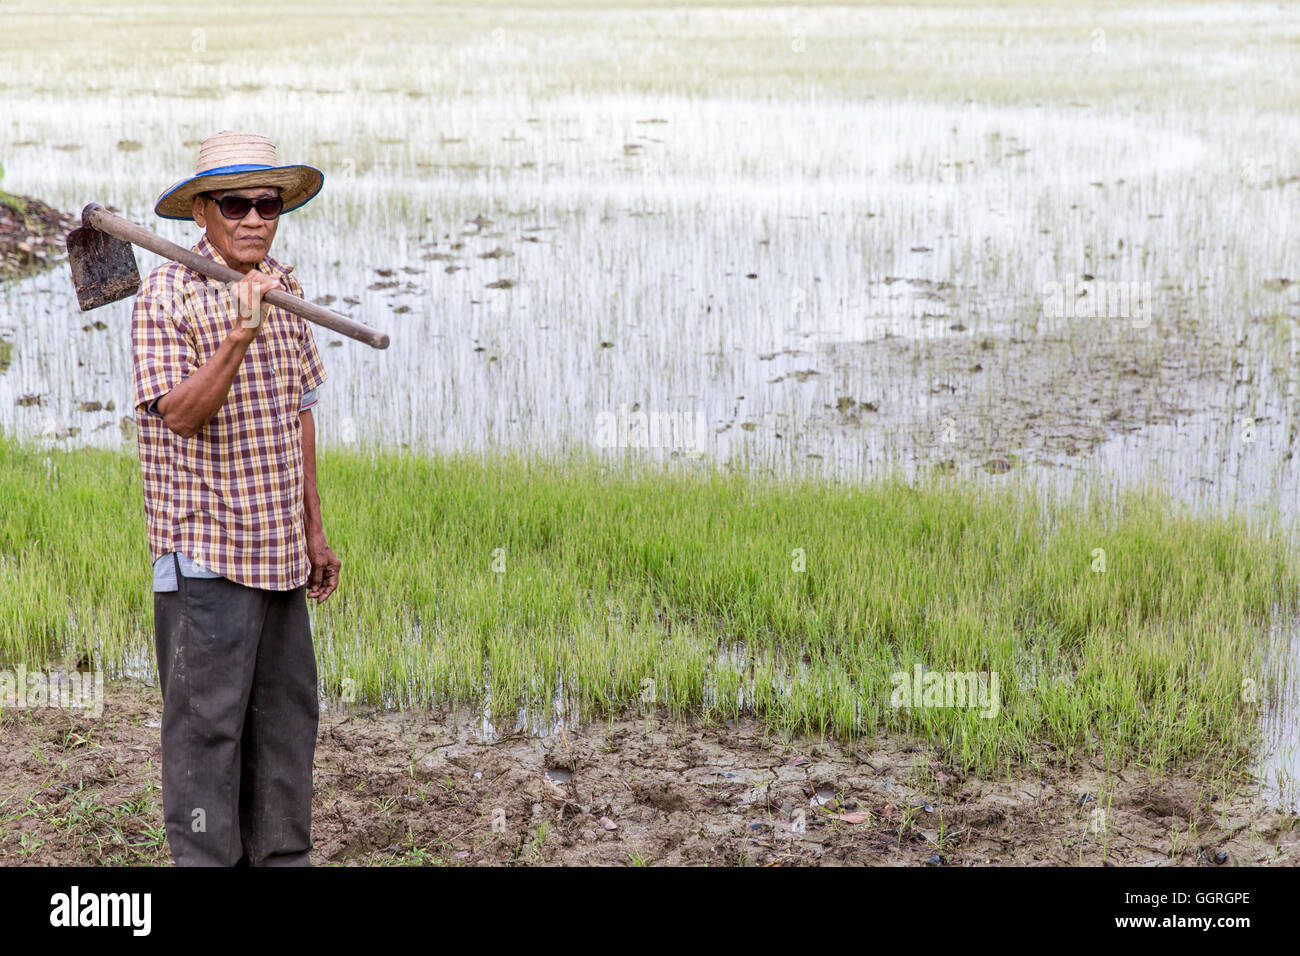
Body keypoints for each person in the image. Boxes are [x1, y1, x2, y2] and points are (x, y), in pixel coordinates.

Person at [131, 130, 340, 866]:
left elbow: (301, 409)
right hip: (207, 558)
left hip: (280, 551)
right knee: (206, 733)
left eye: (267, 203)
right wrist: (239, 335)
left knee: (286, 725)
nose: (254, 218)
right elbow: (181, 414)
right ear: (201, 213)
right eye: (235, 204)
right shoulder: (167, 295)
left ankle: (283, 861)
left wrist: (315, 533)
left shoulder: (285, 285)